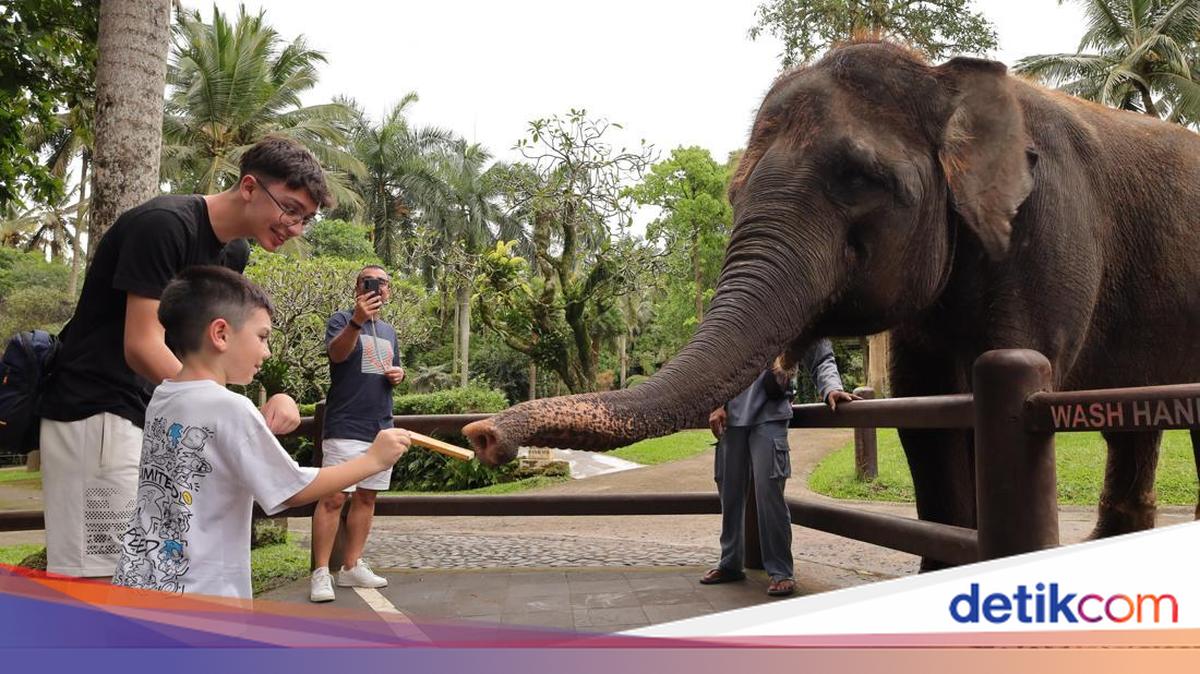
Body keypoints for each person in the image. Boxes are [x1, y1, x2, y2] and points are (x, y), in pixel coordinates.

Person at [38, 136, 333, 578]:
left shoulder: (234, 252)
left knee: (155, 569)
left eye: (305, 219)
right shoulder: (164, 225)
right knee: (103, 575)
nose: (294, 227)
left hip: (158, 416)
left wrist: (260, 402)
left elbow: (212, 351)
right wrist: (230, 413)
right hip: (97, 412)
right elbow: (142, 345)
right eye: (289, 209)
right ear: (249, 186)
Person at [111, 266, 411, 601]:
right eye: (262, 336)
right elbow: (292, 488)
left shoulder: (163, 397)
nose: (267, 352)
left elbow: (213, 453)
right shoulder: (230, 408)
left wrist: (276, 404)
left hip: (140, 581)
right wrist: (373, 460)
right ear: (221, 334)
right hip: (203, 595)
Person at [700, 339, 858, 597]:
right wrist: (716, 403)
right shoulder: (736, 311)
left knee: (769, 495)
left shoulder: (788, 308)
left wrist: (831, 388)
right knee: (729, 494)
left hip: (770, 417)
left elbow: (819, 354)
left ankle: (780, 570)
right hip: (729, 421)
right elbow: (715, 361)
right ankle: (729, 563)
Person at [309, 265, 407, 602]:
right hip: (345, 424)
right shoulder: (341, 320)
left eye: (384, 282)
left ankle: (351, 567)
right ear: (358, 287)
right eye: (372, 281)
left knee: (367, 496)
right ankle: (321, 572)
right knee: (334, 497)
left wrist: (399, 375)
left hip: (380, 425)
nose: (379, 287)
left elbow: (389, 368)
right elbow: (337, 355)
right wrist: (356, 320)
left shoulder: (390, 331)